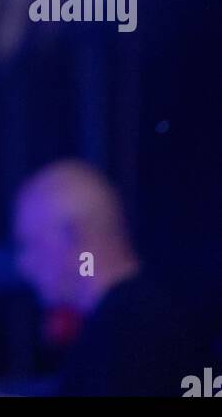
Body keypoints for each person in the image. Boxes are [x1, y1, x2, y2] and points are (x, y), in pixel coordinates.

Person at [13, 159, 209, 396]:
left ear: (73, 234)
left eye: (33, 244)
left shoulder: (125, 338)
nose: (25, 265)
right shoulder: (148, 315)